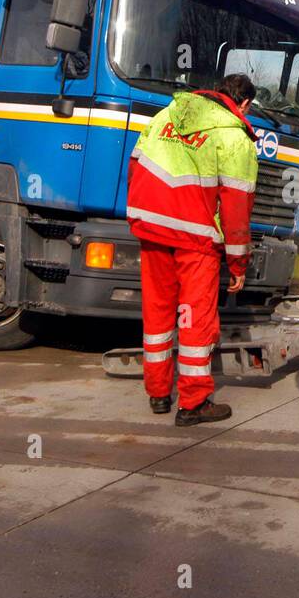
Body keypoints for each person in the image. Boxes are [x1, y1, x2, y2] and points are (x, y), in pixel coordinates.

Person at [126, 74, 258, 427]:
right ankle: (194, 402)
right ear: (243, 104)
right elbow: (236, 208)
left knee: (157, 313)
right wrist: (238, 261)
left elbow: (136, 165)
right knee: (194, 317)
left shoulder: (166, 116)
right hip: (196, 238)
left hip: (153, 227)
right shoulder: (233, 137)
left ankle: (157, 393)